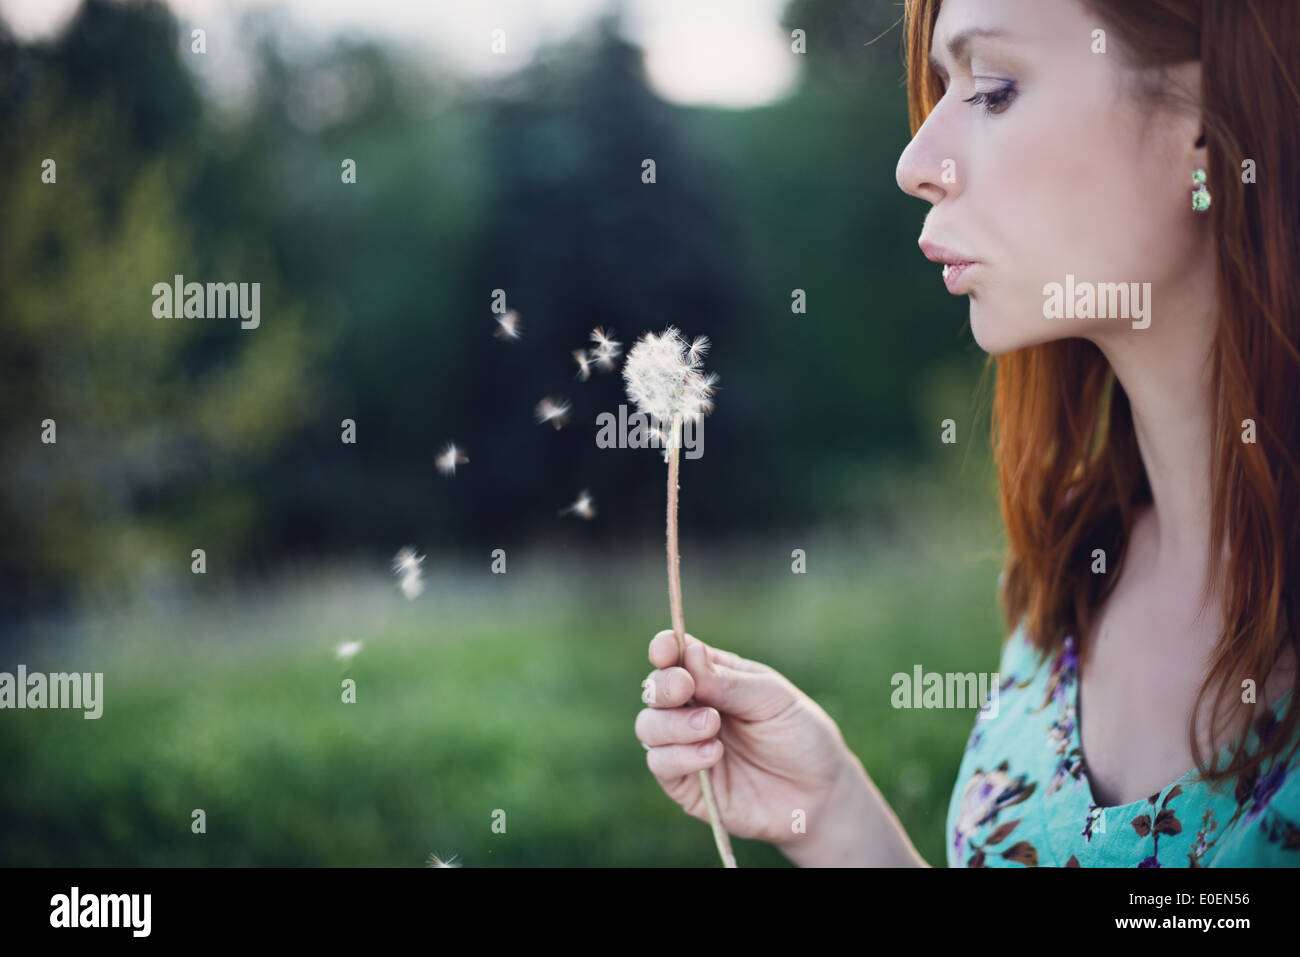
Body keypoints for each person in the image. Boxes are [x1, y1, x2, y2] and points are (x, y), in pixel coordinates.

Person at [635, 0, 1300, 866]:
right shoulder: (1070, 573)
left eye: (992, 88)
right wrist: (834, 814)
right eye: (942, 87)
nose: (915, 162)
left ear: (1205, 131)